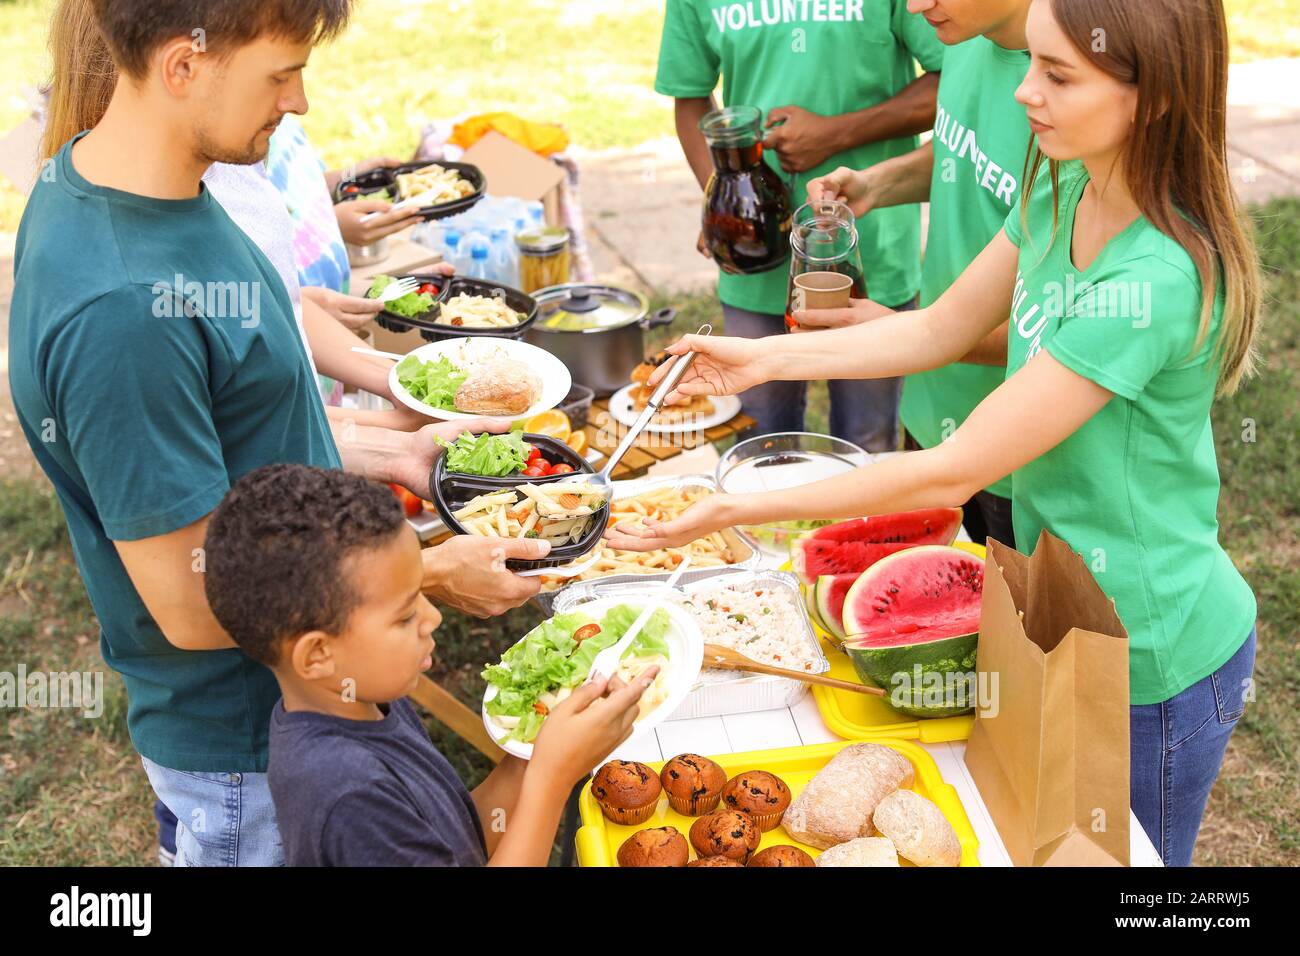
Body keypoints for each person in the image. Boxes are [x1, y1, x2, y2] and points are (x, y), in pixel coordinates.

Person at [610, 0, 1260, 867]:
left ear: (1155, 96)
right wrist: (759, 363)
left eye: (1059, 75)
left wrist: (723, 511)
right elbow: (934, 330)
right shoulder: (1064, 184)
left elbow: (946, 473)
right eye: (1032, 63)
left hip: (1153, 652)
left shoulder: (1152, 282)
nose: (1024, 93)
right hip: (1062, 610)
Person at [10, 0, 546, 867]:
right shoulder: (121, 312)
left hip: (311, 701)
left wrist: (391, 449)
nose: (298, 101)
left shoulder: (163, 183)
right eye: (279, 73)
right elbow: (189, 602)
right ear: (184, 67)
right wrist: (422, 582)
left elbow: (246, 429)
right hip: (247, 756)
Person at [203, 464, 657, 866]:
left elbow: (460, 841)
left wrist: (533, 755)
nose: (433, 617)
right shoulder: (347, 796)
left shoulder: (368, 698)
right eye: (405, 614)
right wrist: (551, 779)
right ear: (317, 655)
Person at [655, 0, 944, 451]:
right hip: (757, 261)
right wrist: (720, 195)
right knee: (761, 443)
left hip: (869, 249)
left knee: (869, 442)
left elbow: (948, 82)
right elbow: (690, 96)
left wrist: (838, 133)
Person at [800, 0, 1037, 546]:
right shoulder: (964, 36)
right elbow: (962, 150)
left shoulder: (1062, 95)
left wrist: (899, 331)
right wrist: (876, 184)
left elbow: (1059, 336)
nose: (915, 5)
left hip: (1016, 448)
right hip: (932, 410)